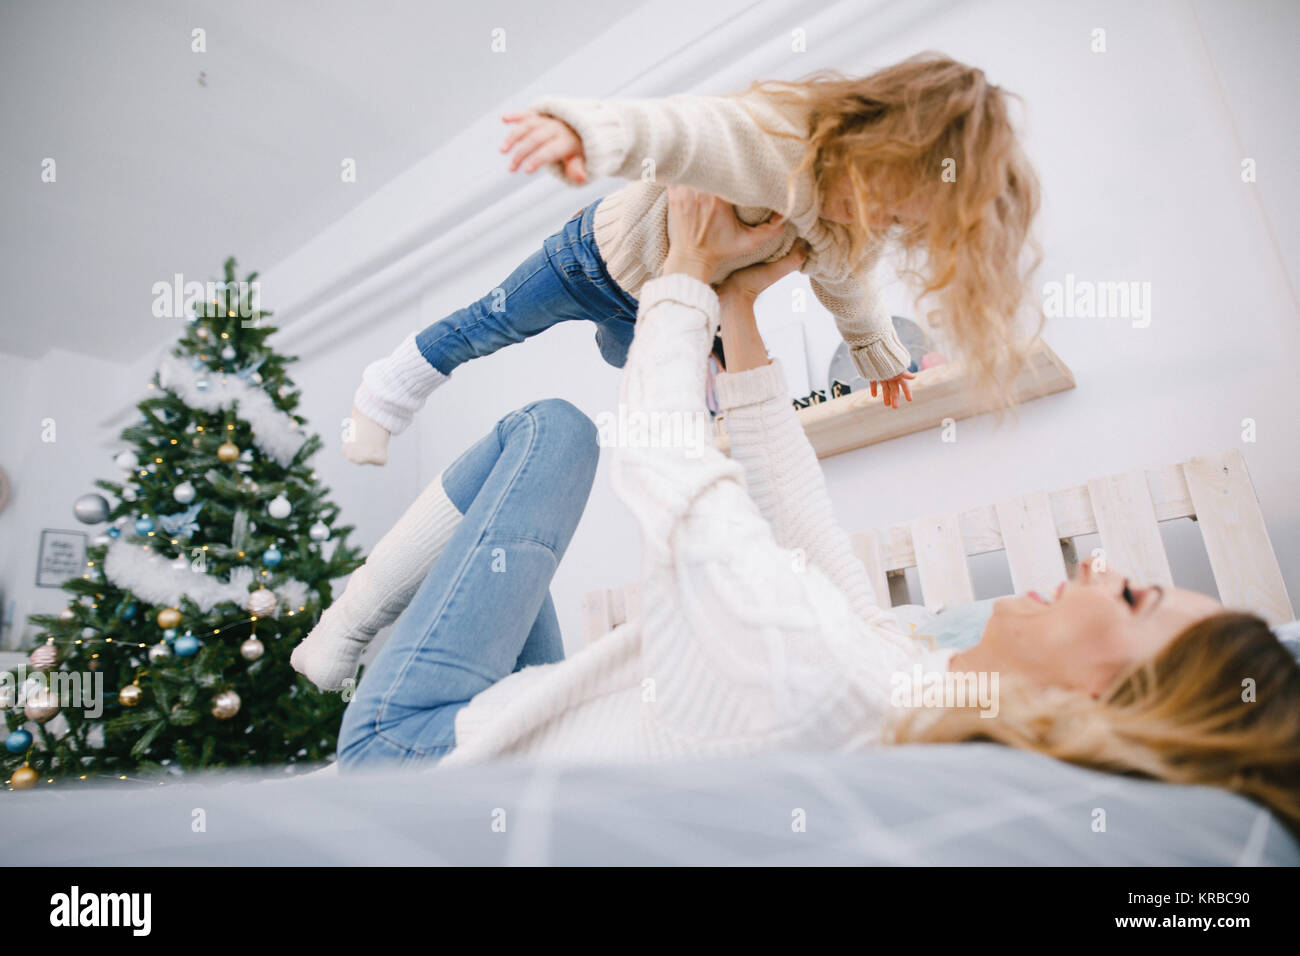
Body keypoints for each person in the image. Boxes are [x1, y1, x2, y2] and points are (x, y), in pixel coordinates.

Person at [294, 185, 1300, 839]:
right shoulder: (910, 676)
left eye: (1130, 593)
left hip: (417, 758)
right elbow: (798, 506)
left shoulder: (841, 688)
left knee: (552, 431)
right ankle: (348, 636)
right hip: (520, 720)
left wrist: (683, 271)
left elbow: (669, 466)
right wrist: (743, 303)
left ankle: (337, 634)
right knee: (536, 570)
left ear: (1099, 698)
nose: (1096, 566)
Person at [340, 52, 1042, 466]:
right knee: (492, 323)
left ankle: (659, 367)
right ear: (863, 142)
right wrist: (584, 130)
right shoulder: (776, 139)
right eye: (871, 196)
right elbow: (678, 130)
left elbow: (851, 290)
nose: (867, 222)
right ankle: (385, 393)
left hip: (676, 302)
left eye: (891, 221)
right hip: (589, 262)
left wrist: (881, 359)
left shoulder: (848, 234)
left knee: (652, 365)